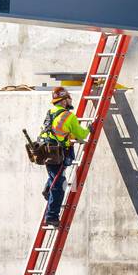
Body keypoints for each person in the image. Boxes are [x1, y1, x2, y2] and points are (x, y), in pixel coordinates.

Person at [38, 85, 90, 227]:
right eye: (68, 99)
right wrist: (89, 129)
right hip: (59, 154)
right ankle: (51, 216)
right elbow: (81, 134)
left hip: (47, 152)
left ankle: (48, 188)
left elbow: (58, 131)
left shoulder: (50, 112)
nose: (70, 101)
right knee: (59, 184)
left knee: (54, 178)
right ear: (64, 100)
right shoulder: (68, 116)